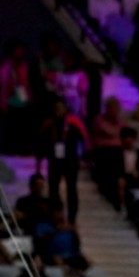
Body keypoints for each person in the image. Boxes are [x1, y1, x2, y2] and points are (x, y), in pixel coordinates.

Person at [37, 97, 88, 226]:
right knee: (53, 189)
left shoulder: (74, 122)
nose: (58, 111)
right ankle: (55, 215)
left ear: (65, 109)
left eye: (61, 108)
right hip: (54, 160)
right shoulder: (48, 123)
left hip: (71, 160)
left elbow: (85, 140)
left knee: (72, 189)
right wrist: (39, 160)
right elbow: (41, 142)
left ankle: (72, 218)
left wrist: (84, 158)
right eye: (56, 108)